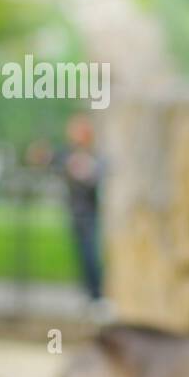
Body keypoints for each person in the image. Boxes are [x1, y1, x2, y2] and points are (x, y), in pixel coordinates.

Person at [56, 114, 110, 317]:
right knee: (81, 254)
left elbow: (95, 176)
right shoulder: (68, 154)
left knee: (91, 254)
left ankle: (97, 296)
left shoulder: (94, 155)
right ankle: (87, 294)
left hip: (90, 213)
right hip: (74, 212)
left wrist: (86, 170)